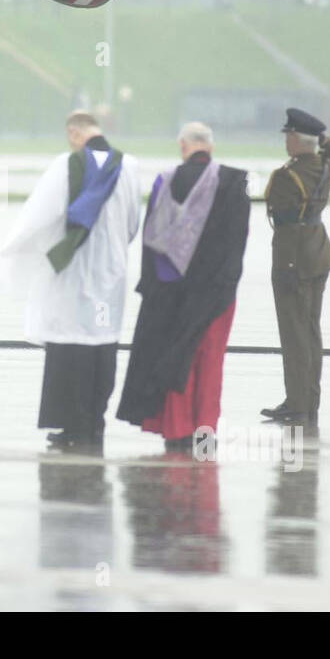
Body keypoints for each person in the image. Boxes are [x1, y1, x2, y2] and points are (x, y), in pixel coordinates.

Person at [0, 111, 141, 450]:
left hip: (72, 273)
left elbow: (39, 218)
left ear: (75, 133)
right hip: (112, 274)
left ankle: (71, 426)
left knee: (69, 344)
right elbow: (134, 222)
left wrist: (13, 251)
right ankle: (94, 424)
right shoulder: (129, 167)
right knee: (103, 345)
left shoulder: (66, 165)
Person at [116, 122, 250, 451]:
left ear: (182, 146)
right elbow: (238, 243)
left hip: (174, 292)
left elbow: (153, 243)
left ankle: (176, 432)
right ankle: (205, 436)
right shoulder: (234, 183)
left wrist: (157, 291)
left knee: (178, 358)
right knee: (210, 363)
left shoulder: (166, 181)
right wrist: (224, 286)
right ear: (211, 147)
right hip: (217, 293)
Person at [259, 108, 330, 426]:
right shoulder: (326, 167)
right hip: (318, 252)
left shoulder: (288, 175)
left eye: (289, 135)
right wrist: (324, 141)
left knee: (294, 333)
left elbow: (280, 211)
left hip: (292, 257)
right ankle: (309, 400)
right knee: (311, 329)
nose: (286, 141)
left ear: (299, 140)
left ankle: (297, 403)